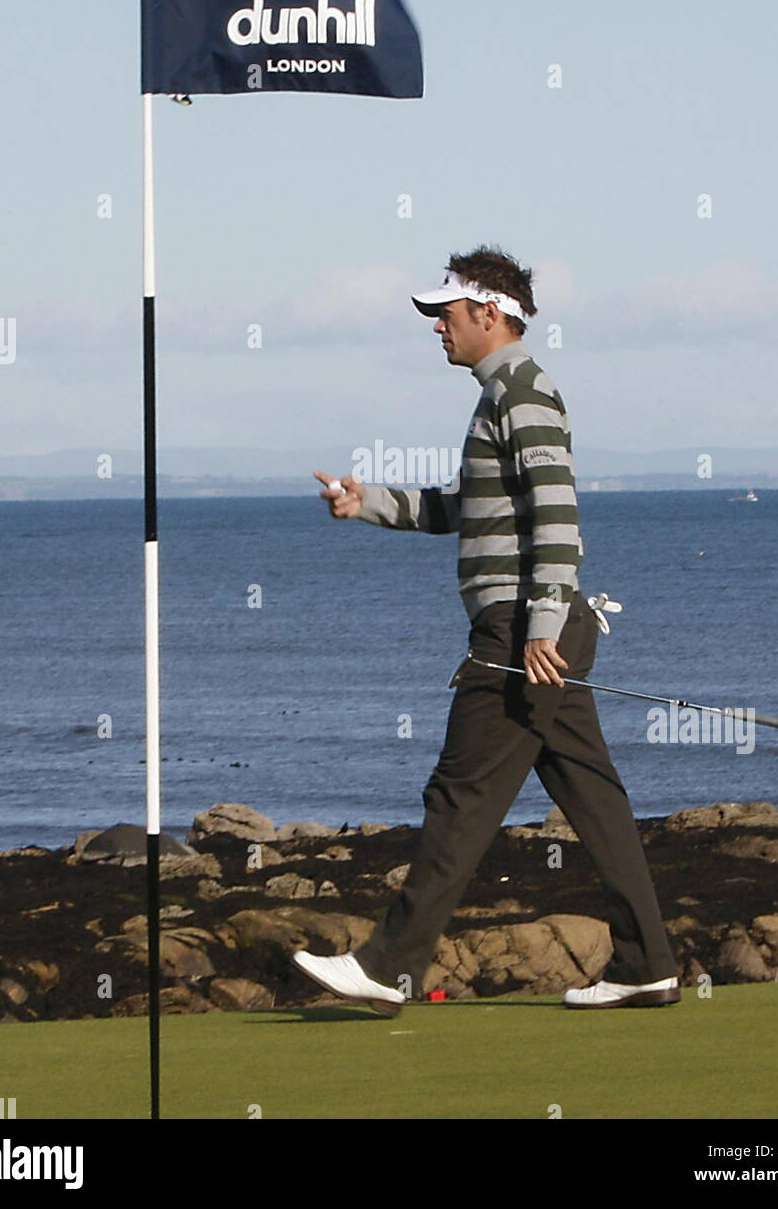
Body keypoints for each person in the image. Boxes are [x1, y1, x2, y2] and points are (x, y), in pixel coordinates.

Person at [293, 246, 679, 1012]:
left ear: (490, 314)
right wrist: (365, 504)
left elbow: (556, 516)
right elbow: (462, 510)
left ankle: (386, 968)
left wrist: (538, 628)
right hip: (538, 629)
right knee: (594, 801)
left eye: (446, 314)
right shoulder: (499, 397)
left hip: (520, 635)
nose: (437, 327)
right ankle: (646, 965)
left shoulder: (524, 394)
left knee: (460, 796)